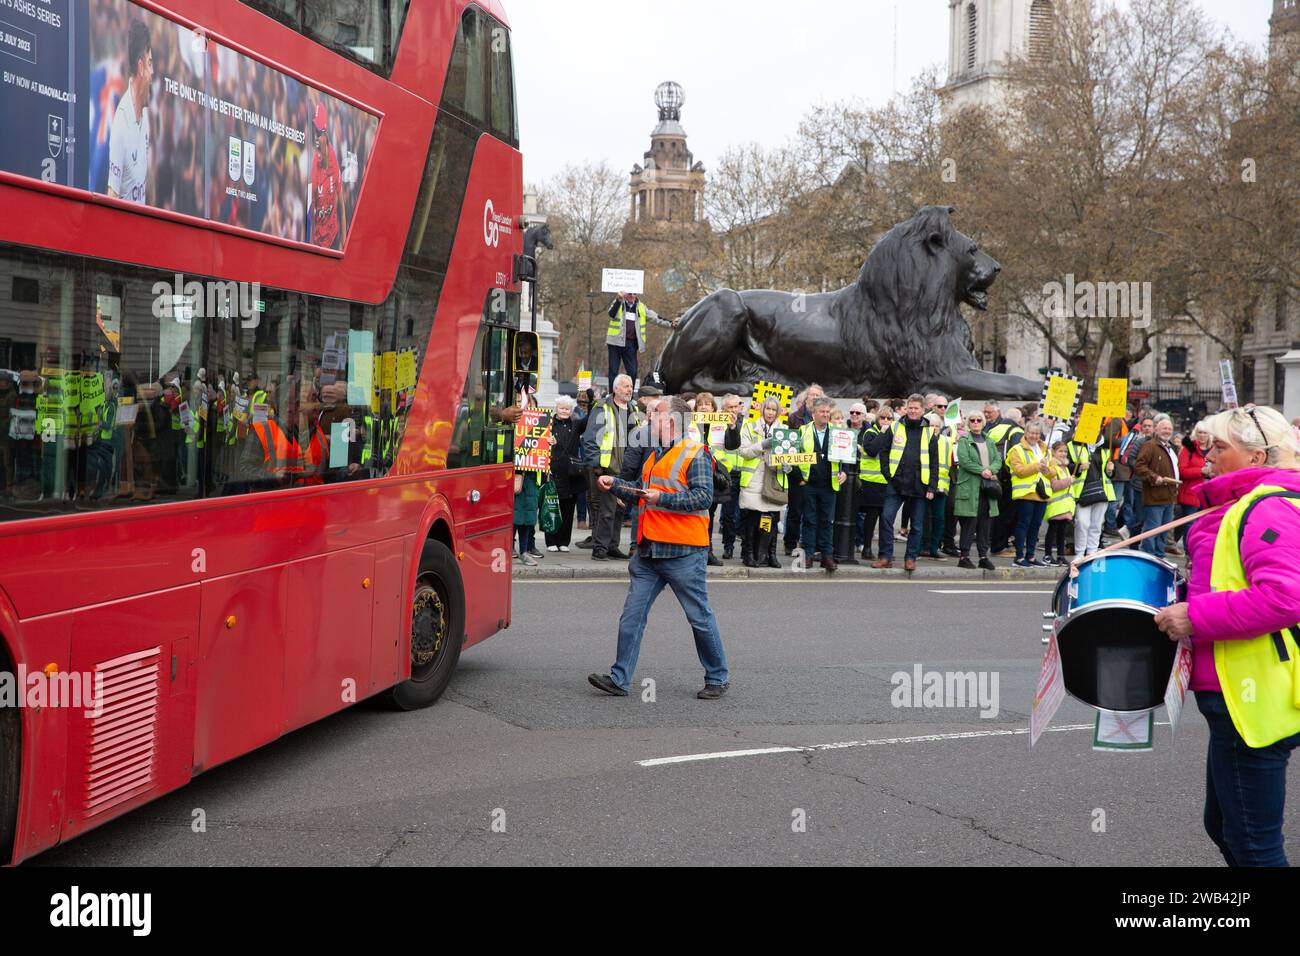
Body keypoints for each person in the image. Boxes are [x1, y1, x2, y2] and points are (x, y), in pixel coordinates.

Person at [1153, 405, 1300, 866]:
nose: (1207, 456)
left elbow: (1283, 598)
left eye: (1219, 447)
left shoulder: (1268, 506)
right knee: (1226, 829)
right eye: (1205, 446)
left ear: (1256, 457)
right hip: (1235, 686)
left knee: (1255, 845)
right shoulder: (1243, 504)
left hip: (1250, 691)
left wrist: (1194, 616)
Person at [587, 396, 729, 700]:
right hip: (650, 552)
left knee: (699, 617)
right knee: (631, 617)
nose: (651, 420)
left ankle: (717, 677)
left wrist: (660, 499)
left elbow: (704, 498)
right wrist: (615, 484)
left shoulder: (695, 453)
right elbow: (643, 490)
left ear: (674, 422)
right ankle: (619, 679)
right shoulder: (655, 454)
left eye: (657, 415)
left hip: (684, 552)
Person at [874, 394, 939, 572]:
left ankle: (910, 558)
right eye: (910, 407)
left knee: (916, 525)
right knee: (886, 519)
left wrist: (932, 486)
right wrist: (887, 474)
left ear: (923, 410)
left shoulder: (929, 431)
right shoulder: (895, 427)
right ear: (906, 408)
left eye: (916, 408)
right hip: (896, 483)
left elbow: (934, 462)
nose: (912, 410)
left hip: (920, 485)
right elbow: (884, 451)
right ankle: (885, 557)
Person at [581, 374, 641, 560]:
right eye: (625, 386)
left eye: (630, 386)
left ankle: (612, 547)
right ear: (615, 389)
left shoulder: (634, 409)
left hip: (626, 469)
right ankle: (599, 549)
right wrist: (597, 465)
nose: (629, 389)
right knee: (606, 511)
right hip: (607, 469)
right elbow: (590, 439)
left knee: (619, 511)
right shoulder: (602, 408)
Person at [736, 396, 789, 568]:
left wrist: (788, 465)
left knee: (771, 518)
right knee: (753, 519)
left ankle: (769, 554)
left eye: (774, 409)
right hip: (754, 479)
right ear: (762, 409)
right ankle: (750, 554)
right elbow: (743, 452)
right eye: (768, 408)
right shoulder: (750, 427)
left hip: (774, 480)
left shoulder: (784, 430)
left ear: (778, 412)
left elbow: (789, 455)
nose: (771, 413)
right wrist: (762, 445)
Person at [796, 397, 845, 571]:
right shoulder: (803, 430)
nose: (825, 415)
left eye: (827, 412)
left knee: (827, 521)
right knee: (809, 520)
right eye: (822, 412)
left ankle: (827, 556)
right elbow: (795, 455)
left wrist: (844, 471)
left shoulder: (838, 431)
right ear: (813, 413)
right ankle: (808, 555)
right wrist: (800, 477)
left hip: (829, 484)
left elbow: (845, 457)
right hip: (809, 483)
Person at [107, 20, 152, 205]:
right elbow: (112, 196)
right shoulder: (121, 126)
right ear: (141, 67)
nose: (153, 71)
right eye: (150, 63)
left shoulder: (146, 115)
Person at [953, 410, 1001, 570]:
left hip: (987, 489)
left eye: (978, 420)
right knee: (969, 523)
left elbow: (997, 460)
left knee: (985, 524)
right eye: (972, 420)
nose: (975, 423)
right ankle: (964, 556)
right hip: (971, 487)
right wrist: (983, 471)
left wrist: (991, 470)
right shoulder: (964, 440)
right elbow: (964, 461)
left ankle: (983, 556)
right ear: (968, 423)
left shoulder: (989, 440)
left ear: (983, 422)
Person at [783, 383, 824, 555]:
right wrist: (797, 475)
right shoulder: (794, 419)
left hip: (817, 475)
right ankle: (790, 543)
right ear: (806, 399)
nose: (814, 398)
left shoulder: (825, 419)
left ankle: (810, 545)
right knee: (795, 510)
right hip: (798, 474)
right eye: (812, 395)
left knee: (813, 514)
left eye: (818, 396)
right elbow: (789, 449)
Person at [605, 292, 674, 391]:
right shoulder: (618, 302)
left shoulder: (641, 307)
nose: (632, 296)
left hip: (631, 344)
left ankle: (630, 395)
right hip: (615, 342)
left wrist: (671, 323)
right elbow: (611, 314)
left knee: (632, 372)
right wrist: (619, 300)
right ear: (625, 294)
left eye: (634, 293)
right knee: (613, 371)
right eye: (629, 293)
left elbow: (656, 318)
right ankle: (611, 395)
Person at [1006, 420, 1052, 568]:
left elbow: (1053, 472)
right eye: (1031, 433)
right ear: (1025, 433)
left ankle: (1030, 556)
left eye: (1037, 433)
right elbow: (1019, 471)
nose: (1034, 436)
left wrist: (1047, 470)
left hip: (1041, 494)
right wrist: (1037, 466)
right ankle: (1019, 557)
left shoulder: (1045, 450)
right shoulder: (1017, 450)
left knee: (1035, 526)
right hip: (1025, 493)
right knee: (1023, 525)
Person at [1133, 414, 1179, 558]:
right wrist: (1154, 477)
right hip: (1154, 496)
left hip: (1169, 496)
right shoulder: (1150, 446)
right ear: (1157, 430)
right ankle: (1148, 556)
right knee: (1152, 529)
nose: (1167, 431)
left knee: (1164, 531)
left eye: (1169, 428)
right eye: (1164, 428)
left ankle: (1159, 556)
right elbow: (1139, 466)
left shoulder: (1171, 448)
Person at [1065, 433, 1115, 559]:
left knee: (1097, 524)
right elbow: (1066, 467)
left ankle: (1092, 551)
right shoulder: (1073, 445)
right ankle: (1080, 552)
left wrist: (1110, 470)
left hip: (1102, 491)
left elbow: (1108, 474)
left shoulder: (1105, 447)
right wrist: (1080, 467)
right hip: (1082, 491)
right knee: (1081, 522)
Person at [545, 396, 584, 552]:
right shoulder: (548, 424)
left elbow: (587, 421)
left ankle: (563, 542)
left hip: (571, 474)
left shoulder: (575, 425)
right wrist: (547, 441)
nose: (564, 411)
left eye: (567, 408)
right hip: (553, 471)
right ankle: (551, 541)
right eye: (561, 408)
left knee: (568, 510)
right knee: (552, 508)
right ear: (556, 409)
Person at [986, 404, 1024, 556]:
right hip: (1008, 478)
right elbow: (1016, 456)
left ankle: (996, 543)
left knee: (997, 512)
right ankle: (999, 547)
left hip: (994, 474)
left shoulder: (994, 429)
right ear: (1019, 419)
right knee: (1007, 514)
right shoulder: (1017, 431)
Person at [308, 102, 348, 250]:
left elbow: (341, 203)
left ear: (325, 134)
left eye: (319, 133)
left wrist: (344, 243)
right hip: (318, 242)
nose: (316, 138)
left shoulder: (333, 159)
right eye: (315, 132)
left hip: (334, 237)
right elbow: (310, 212)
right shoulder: (313, 166)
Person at [856, 403, 891, 561]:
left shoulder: (894, 433)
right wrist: (883, 433)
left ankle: (885, 551)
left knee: (886, 518)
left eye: (888, 418)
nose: (885, 420)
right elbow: (872, 450)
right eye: (882, 417)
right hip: (871, 482)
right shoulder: (870, 432)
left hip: (887, 481)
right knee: (871, 517)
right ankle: (867, 548)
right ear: (877, 419)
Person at [919, 413, 955, 560]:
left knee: (938, 519)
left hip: (941, 486)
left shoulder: (947, 441)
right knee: (922, 518)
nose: (934, 428)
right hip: (923, 484)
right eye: (931, 426)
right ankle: (922, 548)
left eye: (937, 426)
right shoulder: (921, 440)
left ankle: (934, 548)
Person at [1174, 422, 1212, 552]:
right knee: (1190, 524)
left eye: (1205, 432)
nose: (1202, 435)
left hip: (1209, 493)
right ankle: (1188, 552)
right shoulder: (1188, 449)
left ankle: (1199, 550)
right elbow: (1182, 471)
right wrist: (1201, 471)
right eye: (1200, 432)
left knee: (1205, 524)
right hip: (1192, 492)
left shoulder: (1214, 449)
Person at [1041, 441, 1076, 566]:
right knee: (1052, 531)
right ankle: (1047, 555)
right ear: (1053, 452)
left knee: (1062, 532)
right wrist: (1069, 481)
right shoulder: (1052, 467)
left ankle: (1060, 555)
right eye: (1060, 451)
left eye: (1065, 451)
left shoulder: (1064, 467)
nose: (1063, 454)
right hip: (1055, 506)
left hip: (1064, 506)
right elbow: (1055, 485)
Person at [1119, 415, 1154, 538]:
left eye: (1150, 426)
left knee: (1146, 515)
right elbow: (1129, 458)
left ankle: (1132, 532)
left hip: (1153, 484)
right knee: (1137, 511)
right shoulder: (1137, 440)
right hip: (1137, 481)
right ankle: (1131, 533)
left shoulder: (1158, 442)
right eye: (1145, 426)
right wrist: (1142, 469)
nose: (1147, 428)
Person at [1101, 411, 1132, 535]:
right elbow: (1108, 439)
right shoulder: (1116, 420)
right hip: (1118, 466)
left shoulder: (1119, 421)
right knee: (1114, 499)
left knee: (1115, 500)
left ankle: (1111, 524)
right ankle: (1110, 525)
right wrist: (1127, 443)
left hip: (1120, 467)